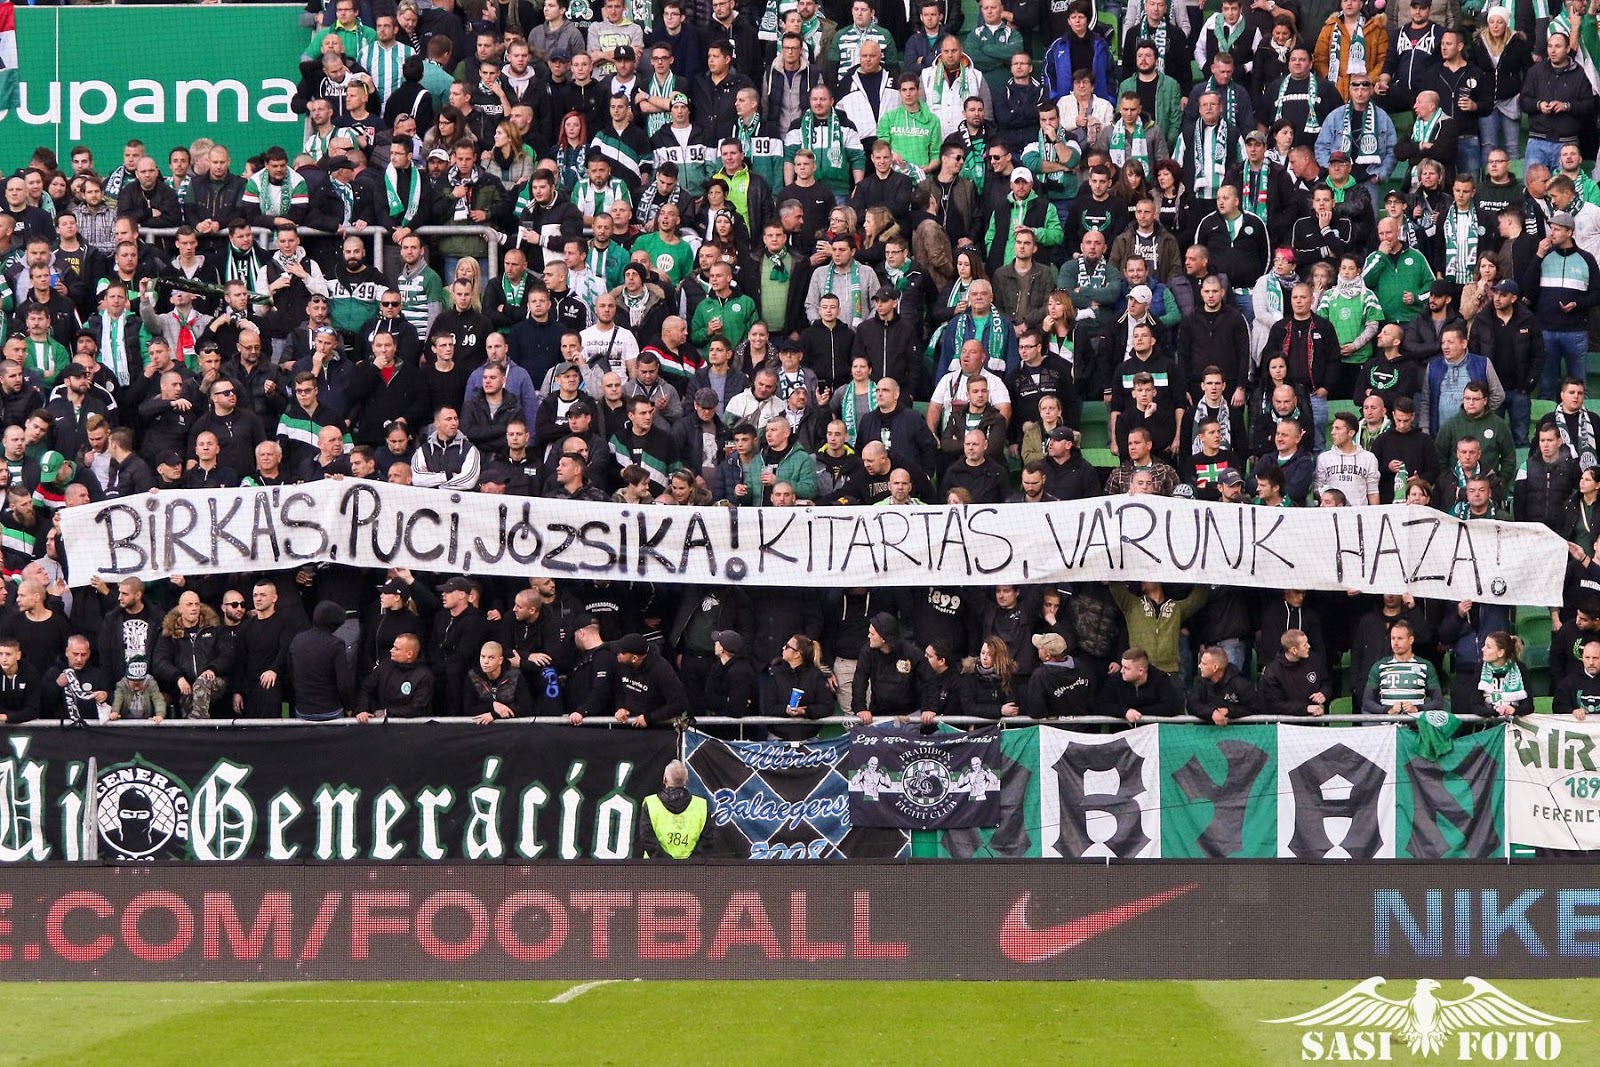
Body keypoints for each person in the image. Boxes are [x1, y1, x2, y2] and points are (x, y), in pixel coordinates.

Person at [638, 759, 709, 859]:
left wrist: (665, 861)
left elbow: (647, 838)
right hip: (692, 871)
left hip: (655, 869)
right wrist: (691, 863)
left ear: (665, 779)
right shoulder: (701, 806)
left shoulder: (651, 803)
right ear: (687, 780)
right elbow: (707, 840)